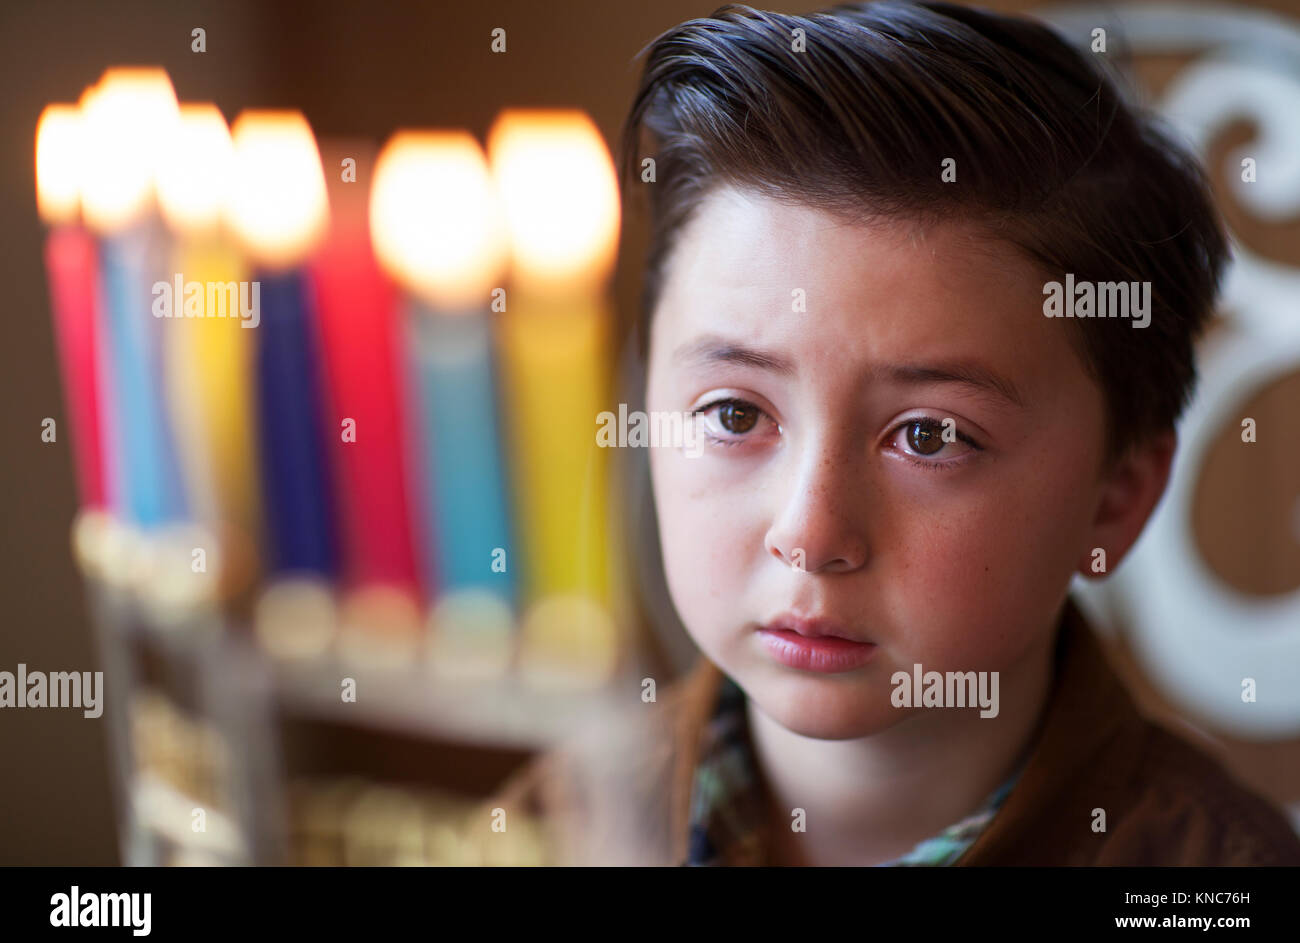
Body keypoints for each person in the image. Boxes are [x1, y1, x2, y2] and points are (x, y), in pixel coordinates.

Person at [482, 0, 1300, 866]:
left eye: (932, 437)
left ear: (1116, 499)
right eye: (735, 414)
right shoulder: (557, 828)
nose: (810, 533)